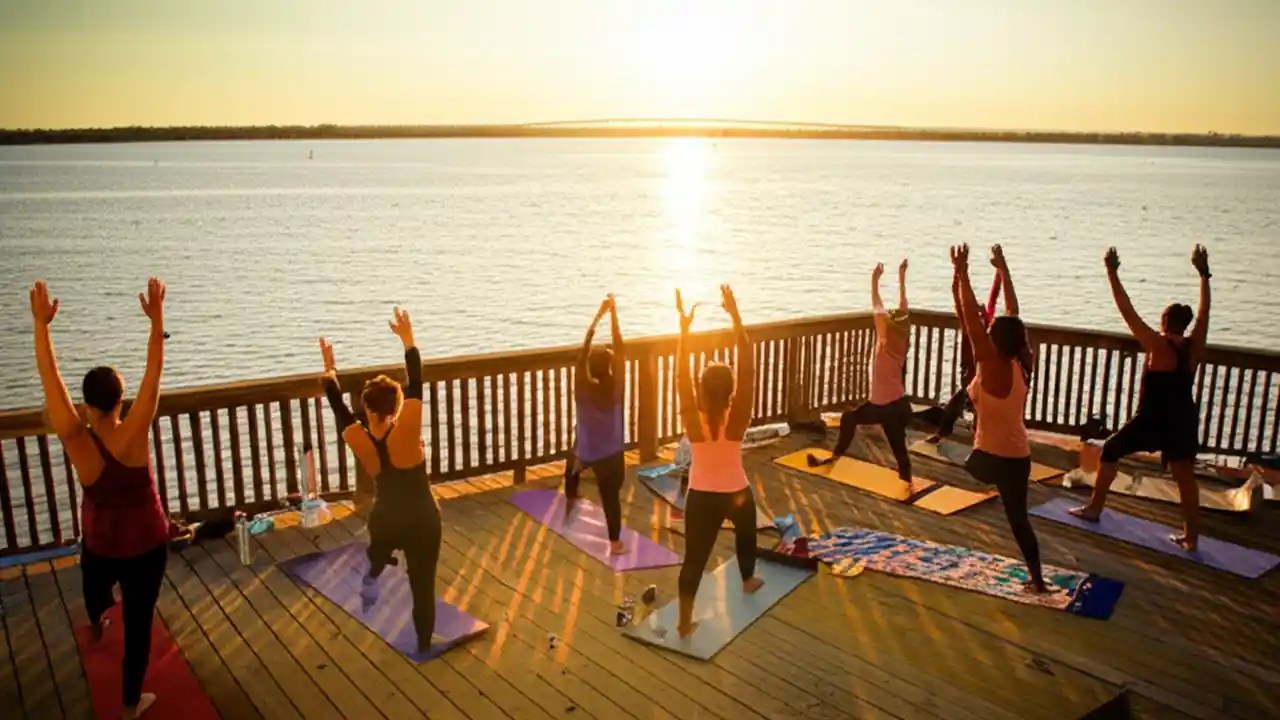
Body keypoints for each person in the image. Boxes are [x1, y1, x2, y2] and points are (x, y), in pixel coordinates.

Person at [30, 279, 170, 719]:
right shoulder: (133, 433)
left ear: (86, 403)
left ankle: (98, 618)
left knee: (94, 583)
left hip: (101, 543)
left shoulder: (75, 438)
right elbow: (155, 371)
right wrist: (156, 319)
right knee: (141, 624)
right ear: (120, 400)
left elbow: (48, 376)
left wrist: (41, 326)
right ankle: (131, 703)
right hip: (146, 542)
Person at [319, 307, 445, 653]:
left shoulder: (357, 437)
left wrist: (330, 365)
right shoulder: (407, 432)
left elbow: (333, 397)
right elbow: (416, 380)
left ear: (367, 410)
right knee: (423, 586)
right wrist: (407, 339)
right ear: (397, 406)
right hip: (422, 521)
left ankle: (372, 575)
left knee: (378, 548)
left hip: (386, 518)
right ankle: (423, 643)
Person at [1070, 246, 1211, 551]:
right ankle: (1191, 537)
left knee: (1110, 449)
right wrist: (1204, 275)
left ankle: (1094, 509)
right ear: (1183, 324)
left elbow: (1126, 309)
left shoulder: (1157, 345)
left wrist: (1112, 273)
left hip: (1151, 418)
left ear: (1164, 321)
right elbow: (1204, 312)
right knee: (1185, 477)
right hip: (1182, 419)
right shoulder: (1193, 346)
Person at [950, 244, 1047, 593]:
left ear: (995, 342)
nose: (985, 333)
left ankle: (1037, 579)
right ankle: (1037, 581)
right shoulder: (1024, 362)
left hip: (989, 459)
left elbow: (973, 322)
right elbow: (1013, 313)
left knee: (969, 463)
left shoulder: (989, 364)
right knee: (1019, 521)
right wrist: (1003, 268)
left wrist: (961, 273)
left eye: (990, 334)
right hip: (1019, 458)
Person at [674, 284, 763, 639]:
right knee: (747, 529)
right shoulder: (738, 415)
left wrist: (683, 331)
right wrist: (735, 314)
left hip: (700, 496)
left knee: (693, 560)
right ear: (729, 391)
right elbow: (749, 366)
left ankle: (683, 622)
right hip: (735, 493)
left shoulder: (692, 420)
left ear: (701, 389)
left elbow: (680, 377)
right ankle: (747, 578)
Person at [808, 260, 914, 487]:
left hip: (887, 408)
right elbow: (903, 306)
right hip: (892, 405)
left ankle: (839, 455)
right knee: (855, 421)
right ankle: (903, 475)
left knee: (892, 444)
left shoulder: (886, 340)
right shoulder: (901, 341)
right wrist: (901, 276)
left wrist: (874, 281)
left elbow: (877, 305)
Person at [564, 295, 628, 555]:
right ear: (610, 366)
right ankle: (615, 543)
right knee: (611, 498)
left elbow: (582, 355)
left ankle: (571, 494)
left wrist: (598, 317)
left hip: (586, 451)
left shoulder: (582, 387)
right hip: (611, 455)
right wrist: (613, 314)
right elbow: (621, 348)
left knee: (574, 457)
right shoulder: (616, 388)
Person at [917, 272, 1002, 444]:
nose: (977, 314)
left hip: (984, 384)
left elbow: (993, 297)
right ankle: (941, 434)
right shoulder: (967, 327)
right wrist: (957, 272)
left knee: (980, 415)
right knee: (954, 405)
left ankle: (982, 440)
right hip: (970, 383)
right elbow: (958, 298)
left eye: (980, 312)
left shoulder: (988, 330)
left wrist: (999, 274)